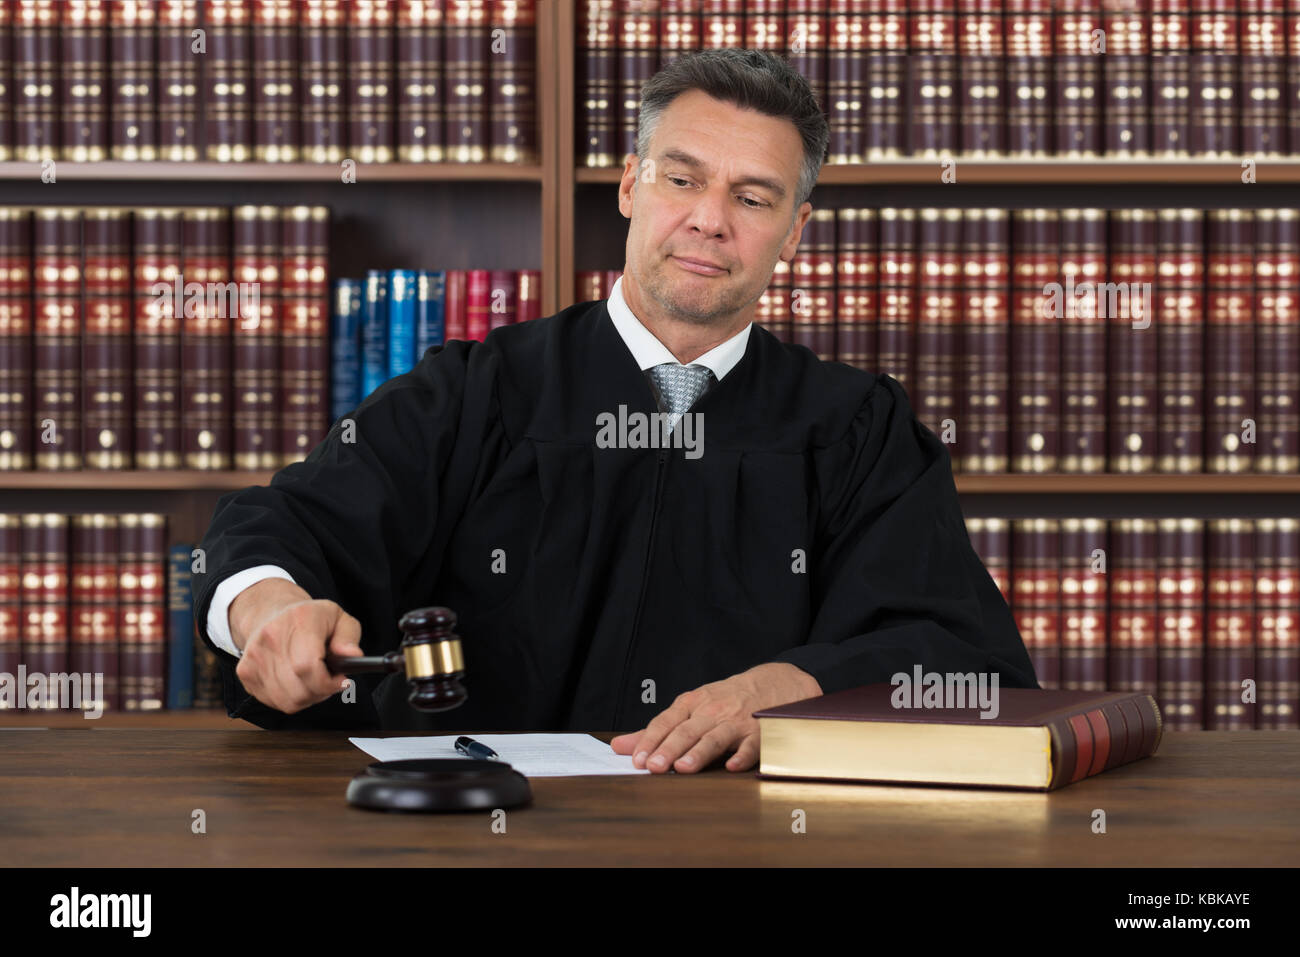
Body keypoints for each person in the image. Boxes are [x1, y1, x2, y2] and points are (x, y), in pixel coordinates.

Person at [192, 49, 1038, 774]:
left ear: (793, 232)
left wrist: (797, 686)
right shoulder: (479, 392)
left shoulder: (857, 429)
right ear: (631, 184)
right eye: (683, 178)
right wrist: (267, 608)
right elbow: (284, 523)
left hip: (752, 849)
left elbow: (960, 650)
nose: (709, 220)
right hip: (483, 842)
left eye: (753, 197)